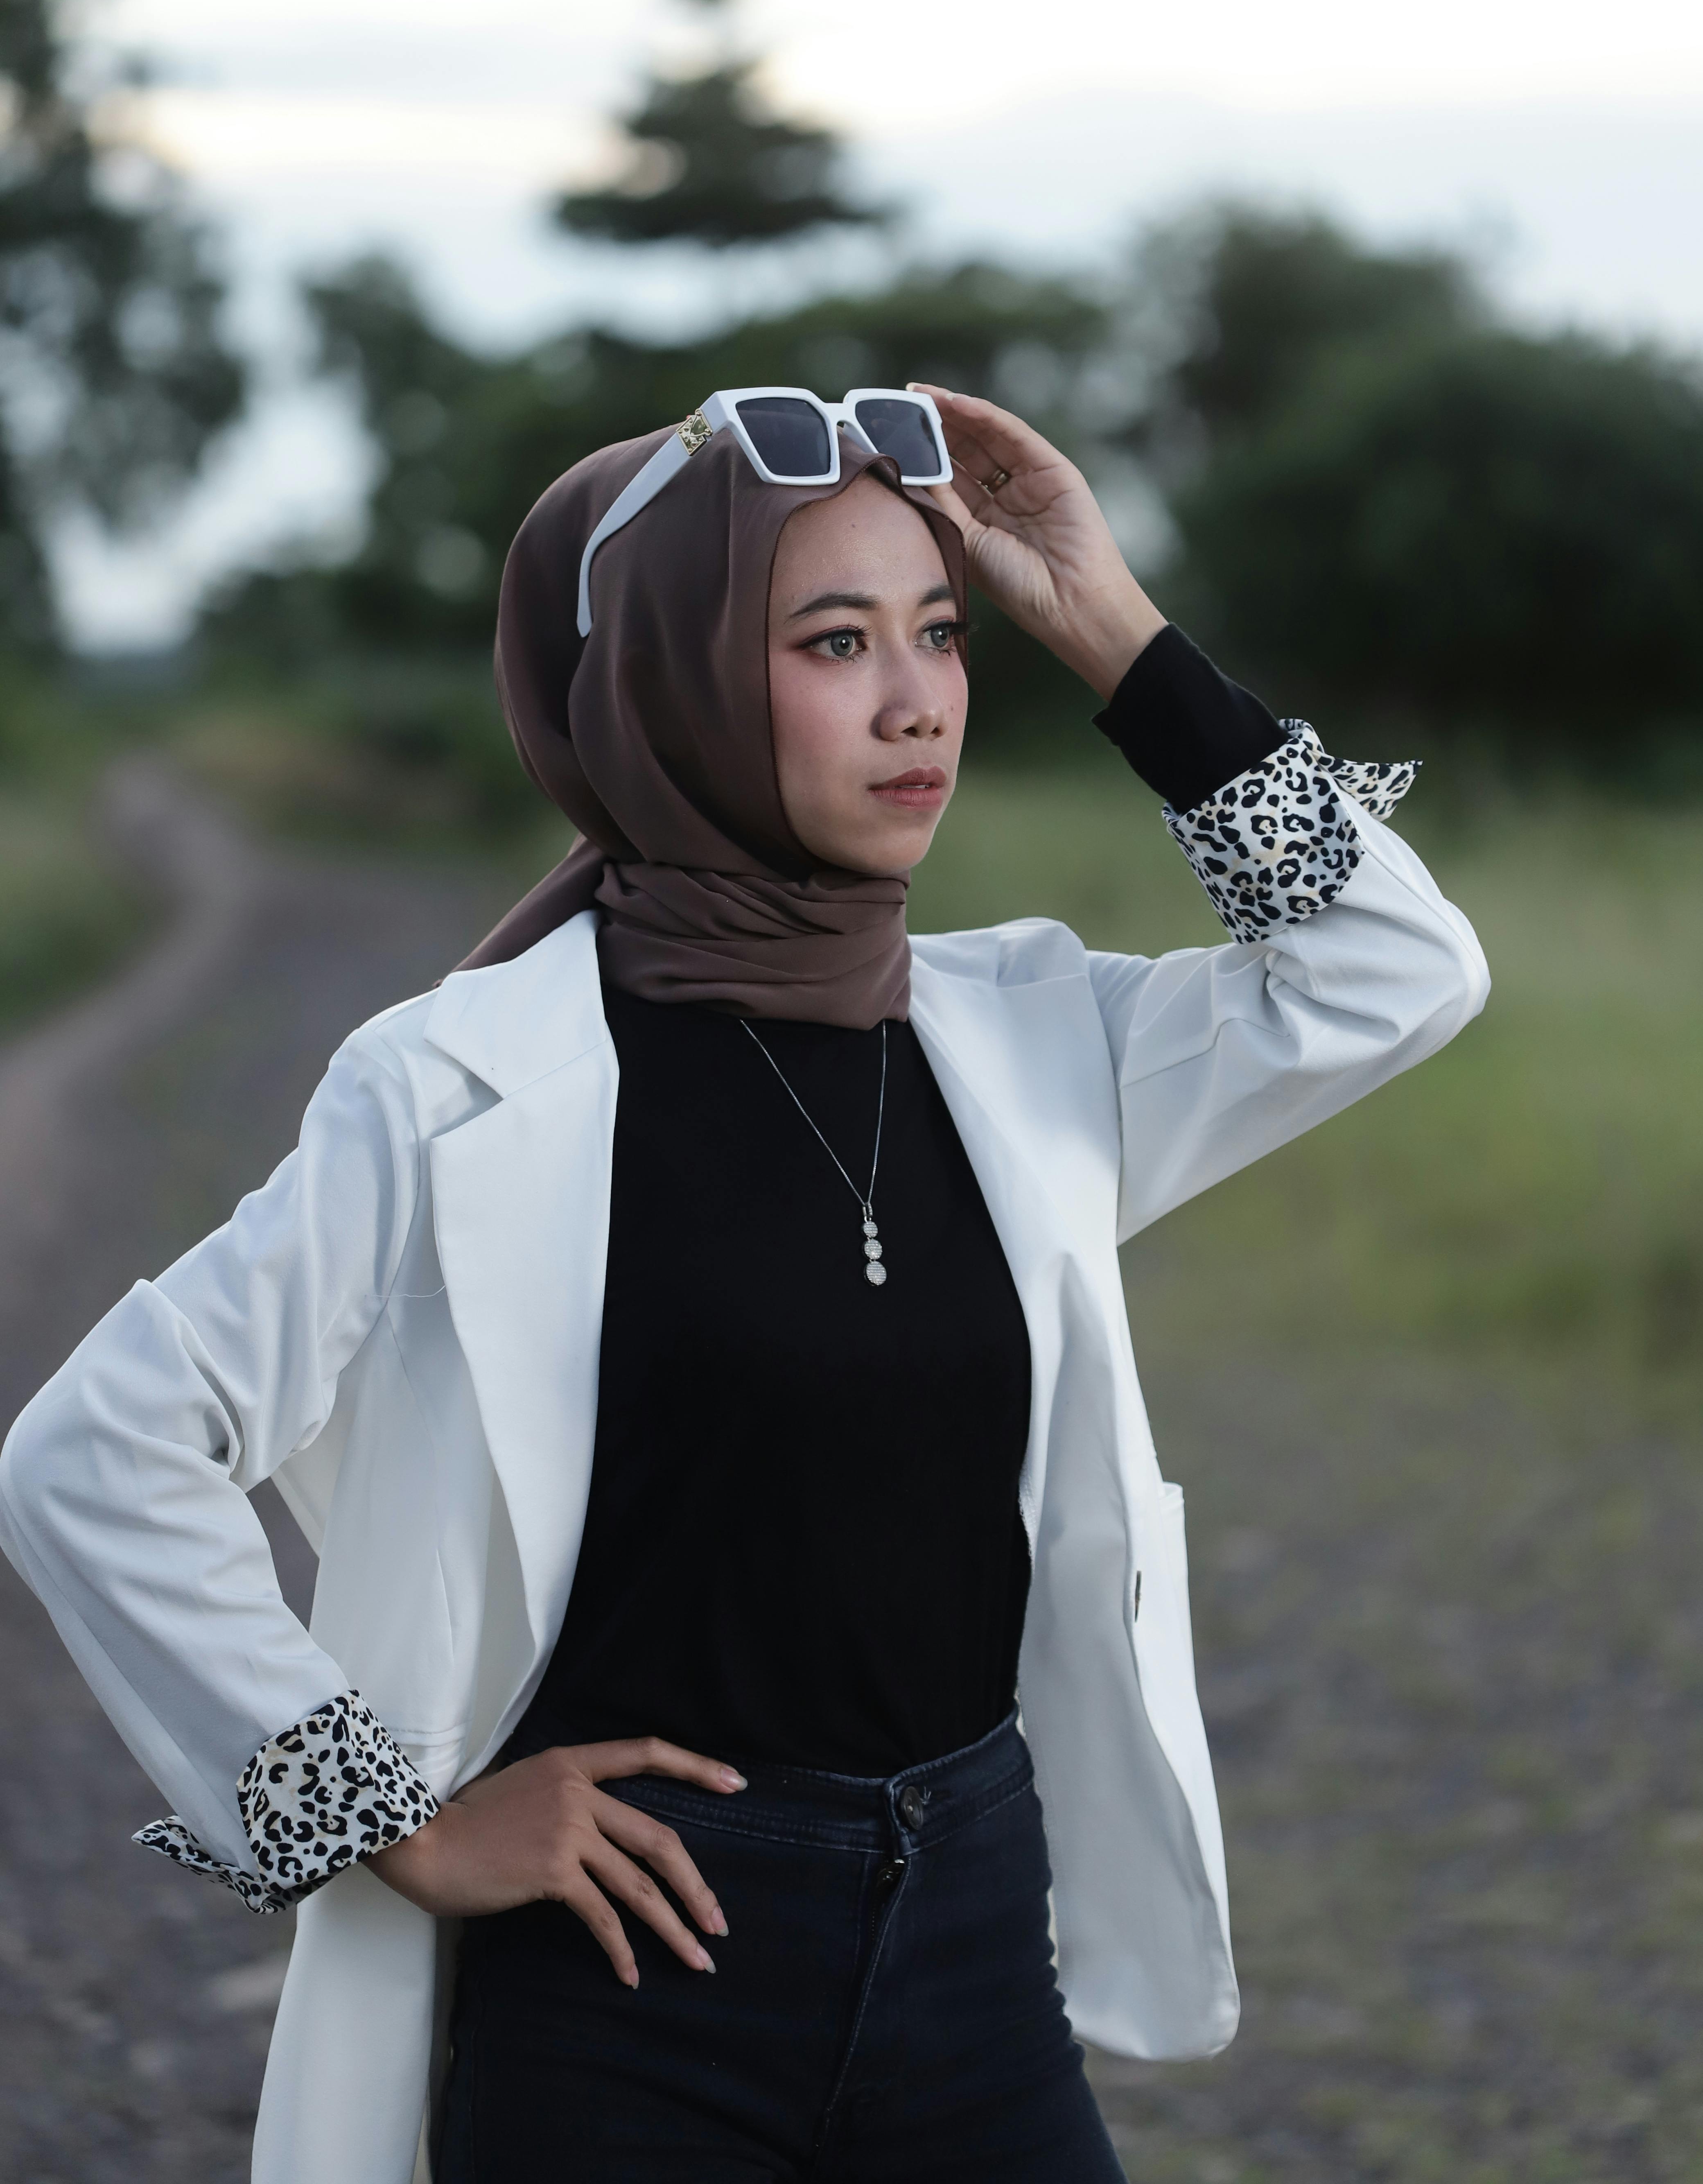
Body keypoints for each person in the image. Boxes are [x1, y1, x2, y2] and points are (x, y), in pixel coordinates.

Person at [0, 384, 1488, 2184]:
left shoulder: (1024, 1037)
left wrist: (1106, 625)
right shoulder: (459, 1083)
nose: (916, 696)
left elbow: (1389, 973)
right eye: (833, 642)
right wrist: (390, 1821)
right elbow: (96, 1451)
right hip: (634, 1986)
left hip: (967, 1944)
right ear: (674, 681)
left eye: (937, 634)